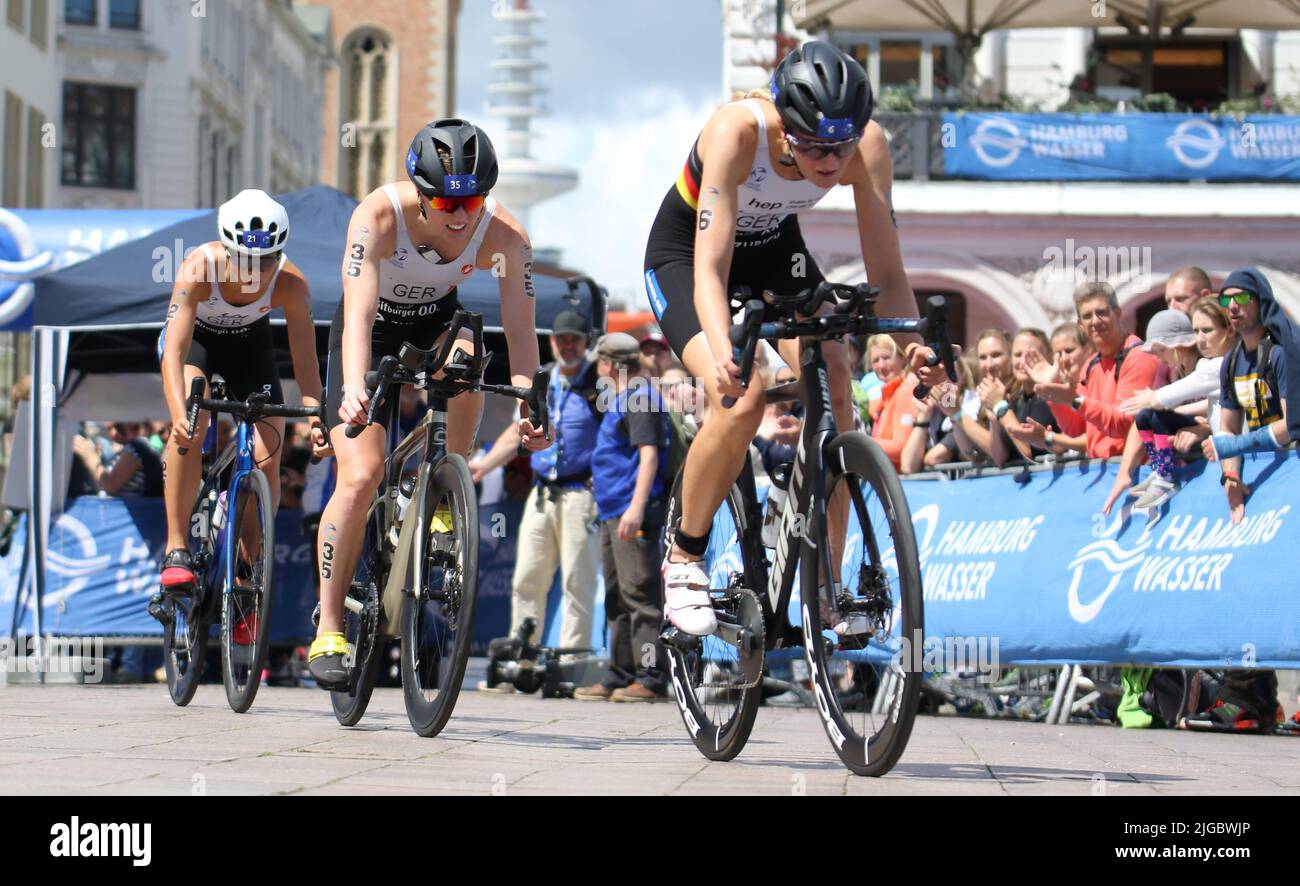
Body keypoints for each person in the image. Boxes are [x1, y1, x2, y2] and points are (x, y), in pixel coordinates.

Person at [644, 41, 941, 636]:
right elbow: (710, 268)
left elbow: (888, 276)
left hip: (777, 254)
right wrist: (724, 348)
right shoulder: (737, 131)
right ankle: (684, 556)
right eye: (814, 147)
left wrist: (915, 348)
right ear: (785, 129)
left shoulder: (870, 145)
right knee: (742, 396)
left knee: (834, 370)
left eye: (842, 144)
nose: (830, 162)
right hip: (688, 257)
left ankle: (823, 582)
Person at [310, 118, 548, 687]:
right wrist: (352, 388)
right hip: (369, 334)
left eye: (473, 201)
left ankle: (444, 481)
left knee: (470, 351)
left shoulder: (506, 236)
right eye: (444, 200)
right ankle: (329, 624)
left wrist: (531, 404)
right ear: (419, 191)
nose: (460, 214)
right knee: (361, 475)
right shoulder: (378, 215)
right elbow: (360, 311)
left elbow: (521, 330)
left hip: (437, 323)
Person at [155, 189, 325, 598]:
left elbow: (305, 360)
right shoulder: (199, 266)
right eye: (246, 260)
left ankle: (247, 571)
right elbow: (175, 351)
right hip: (198, 345)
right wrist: (179, 413)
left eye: (267, 261)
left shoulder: (291, 283)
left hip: (250, 348)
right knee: (194, 426)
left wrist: (317, 414)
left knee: (268, 455)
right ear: (226, 248)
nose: (257, 270)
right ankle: (177, 546)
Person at [470, 309, 603, 666]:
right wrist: (483, 465)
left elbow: (618, 434)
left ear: (586, 341)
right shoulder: (544, 380)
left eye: (575, 338)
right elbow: (518, 433)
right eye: (562, 339)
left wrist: (603, 476)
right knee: (528, 576)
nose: (569, 345)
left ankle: (572, 663)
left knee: (578, 579)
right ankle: (521, 657)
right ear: (552, 342)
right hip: (542, 491)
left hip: (581, 491)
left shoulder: (599, 383)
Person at [574, 333, 670, 702]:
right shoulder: (624, 398)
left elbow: (649, 457)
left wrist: (636, 507)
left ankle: (649, 677)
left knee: (640, 595)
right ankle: (620, 673)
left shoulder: (641, 398)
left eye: (600, 363)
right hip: (612, 510)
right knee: (618, 596)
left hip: (631, 512)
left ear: (610, 365)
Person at [1101, 303, 1231, 513]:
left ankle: (1165, 475)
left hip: (1214, 444)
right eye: (1197, 331)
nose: (1159, 357)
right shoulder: (1176, 371)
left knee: (1156, 415)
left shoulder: (1205, 365)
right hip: (1194, 438)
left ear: (1177, 345)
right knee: (1145, 416)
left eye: (1161, 349)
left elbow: (1214, 404)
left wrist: (1170, 408)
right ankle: (1160, 468)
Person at [1203, 268, 1296, 525]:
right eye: (1226, 299)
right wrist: (1231, 475)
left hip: (1293, 466)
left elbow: (1291, 425)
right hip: (1262, 472)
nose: (1232, 306)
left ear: (1260, 300)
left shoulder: (1281, 352)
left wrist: (1234, 445)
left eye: (1242, 298)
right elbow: (1228, 429)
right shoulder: (1231, 361)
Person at [1031, 282, 1164, 459]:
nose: (1095, 321)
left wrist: (1075, 400)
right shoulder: (1092, 364)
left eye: (1101, 312)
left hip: (1133, 471)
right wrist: (1051, 389)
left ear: (1117, 313)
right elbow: (1076, 429)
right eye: (1087, 316)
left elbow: (1123, 424)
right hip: (1102, 470)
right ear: (1080, 325)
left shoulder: (1138, 356)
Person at [985, 329, 1061, 465]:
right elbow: (999, 458)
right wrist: (994, 421)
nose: (1023, 361)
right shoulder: (1013, 400)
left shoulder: (1050, 397)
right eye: (1018, 355)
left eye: (1031, 354)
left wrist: (1001, 407)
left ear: (1049, 356)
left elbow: (1028, 452)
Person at [961, 329, 1016, 460]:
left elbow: (1000, 456)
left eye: (996, 355)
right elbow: (968, 455)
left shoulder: (1020, 394)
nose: (989, 365)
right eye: (983, 357)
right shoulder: (979, 398)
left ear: (1011, 356)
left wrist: (956, 414)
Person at [72, 421, 164, 497]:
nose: (113, 433)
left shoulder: (137, 447)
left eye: (117, 427)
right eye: (109, 429)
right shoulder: (136, 447)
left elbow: (111, 486)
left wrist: (90, 457)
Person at [866, 334, 918, 469]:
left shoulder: (906, 389)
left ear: (902, 358)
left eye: (887, 357)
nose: (881, 365)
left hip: (905, 485)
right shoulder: (888, 394)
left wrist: (861, 443)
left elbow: (901, 448)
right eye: (875, 360)